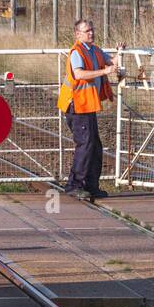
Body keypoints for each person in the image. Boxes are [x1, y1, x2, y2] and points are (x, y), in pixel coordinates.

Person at [56, 19, 121, 199]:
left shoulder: (95, 50)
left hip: (87, 104)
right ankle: (74, 185)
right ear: (77, 34)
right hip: (76, 104)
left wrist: (119, 52)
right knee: (85, 144)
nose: (90, 33)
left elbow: (111, 63)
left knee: (94, 145)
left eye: (91, 30)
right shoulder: (77, 52)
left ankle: (91, 185)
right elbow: (79, 74)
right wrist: (104, 72)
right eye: (86, 31)